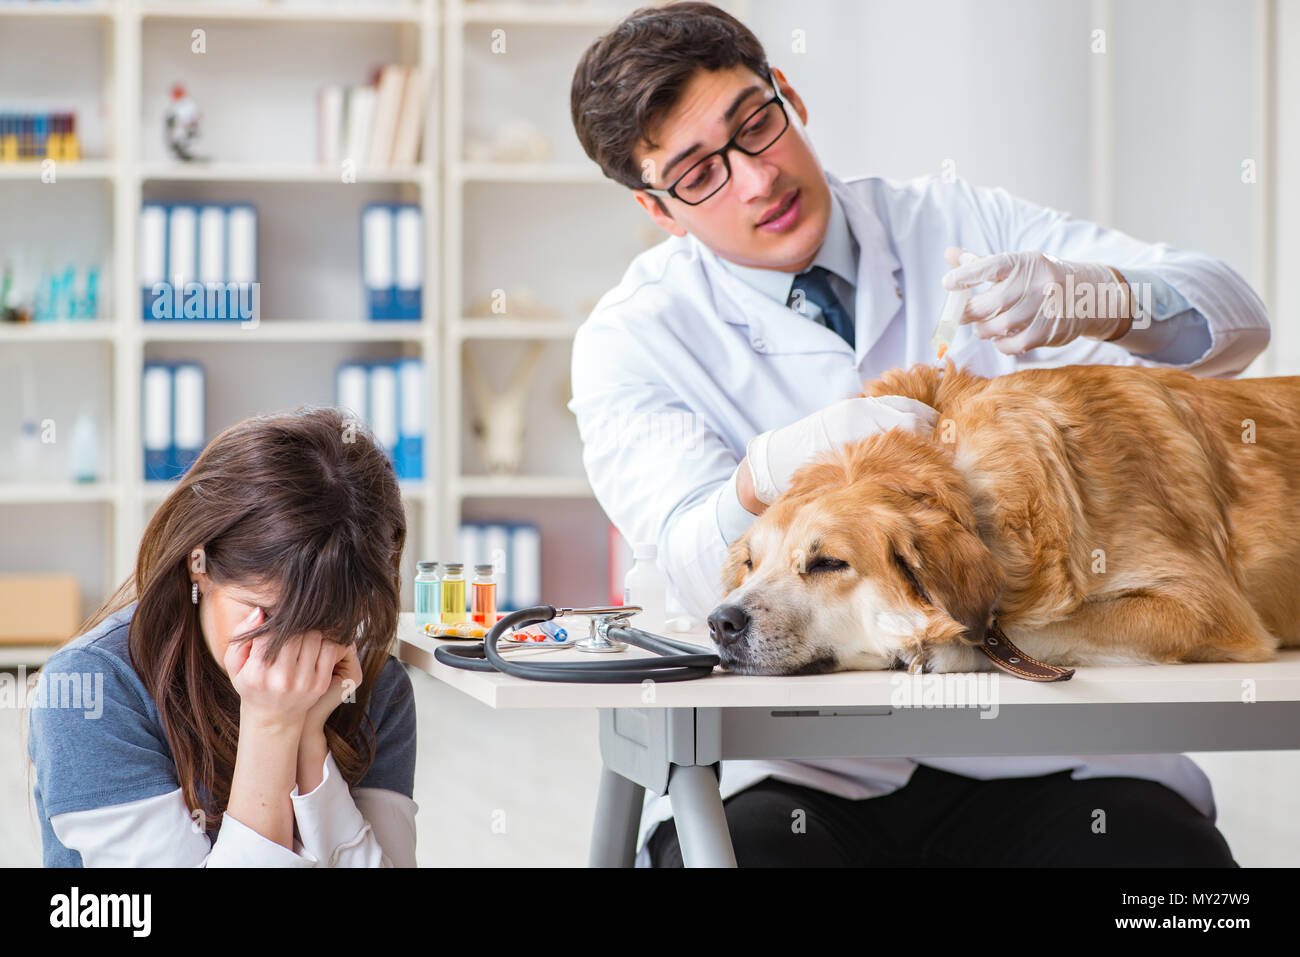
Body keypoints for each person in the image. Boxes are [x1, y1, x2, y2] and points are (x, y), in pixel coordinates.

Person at [567, 1, 1267, 866]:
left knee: (1183, 895)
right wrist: (764, 472)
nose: (756, 179)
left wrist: (1104, 295)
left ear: (788, 95)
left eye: (755, 124)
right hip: (807, 770)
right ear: (659, 207)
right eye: (700, 173)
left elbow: (1237, 320)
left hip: (1062, 745)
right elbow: (685, 564)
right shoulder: (632, 339)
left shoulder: (953, 222)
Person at [26, 406, 418, 866]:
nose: (294, 653)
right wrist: (272, 727)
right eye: (267, 612)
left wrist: (310, 745)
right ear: (201, 566)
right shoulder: (91, 689)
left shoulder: (371, 683)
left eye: (328, 622)